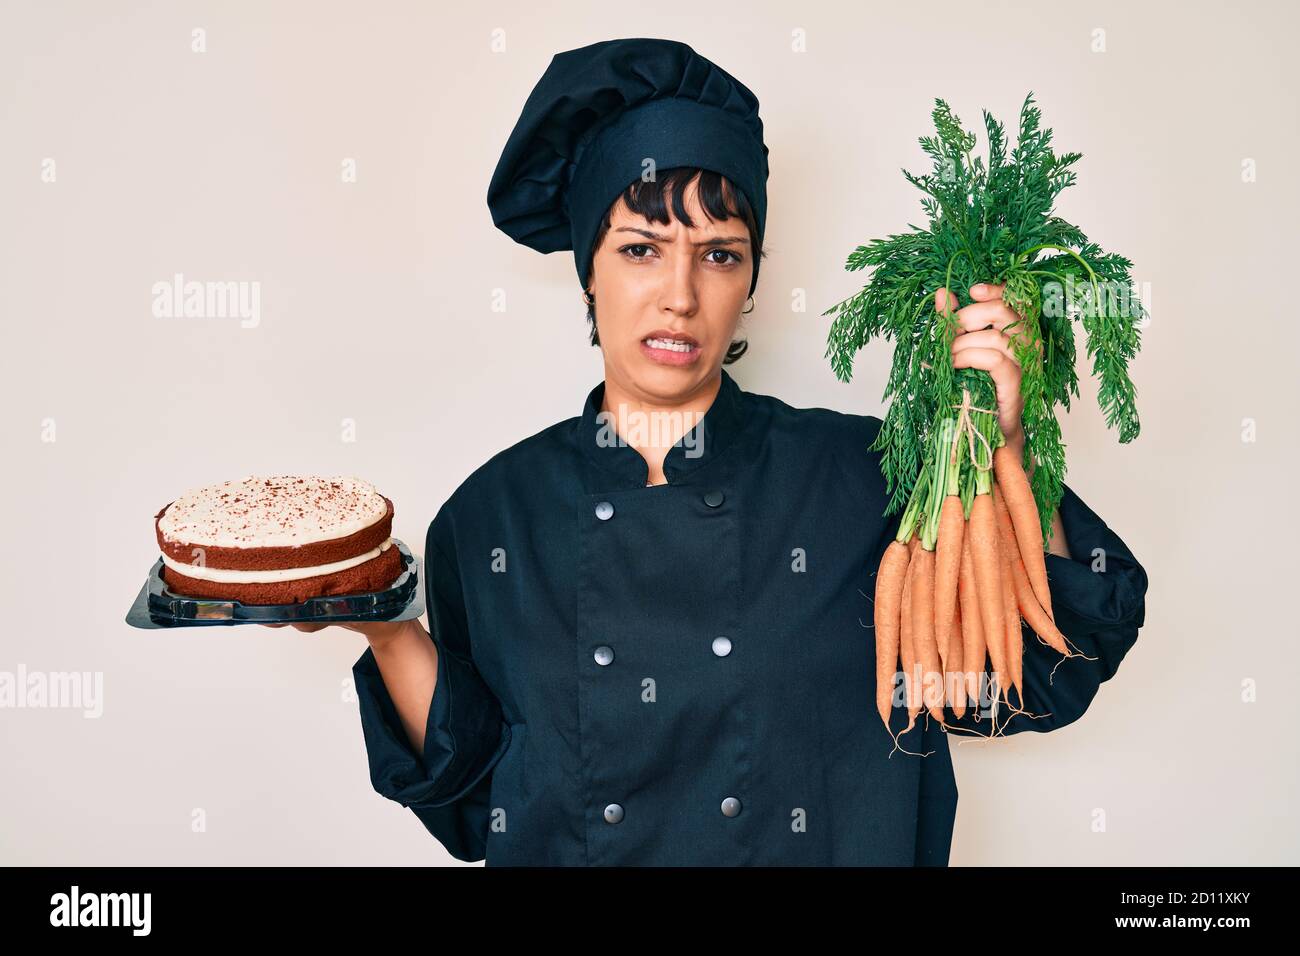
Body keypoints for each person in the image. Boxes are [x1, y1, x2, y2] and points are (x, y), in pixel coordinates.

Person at [273, 38, 1148, 865]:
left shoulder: (871, 477)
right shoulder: (493, 515)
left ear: (752, 279)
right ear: (588, 269)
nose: (681, 296)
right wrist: (389, 634)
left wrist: (1001, 448)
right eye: (642, 250)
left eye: (719, 255)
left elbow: (1044, 672)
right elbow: (474, 803)